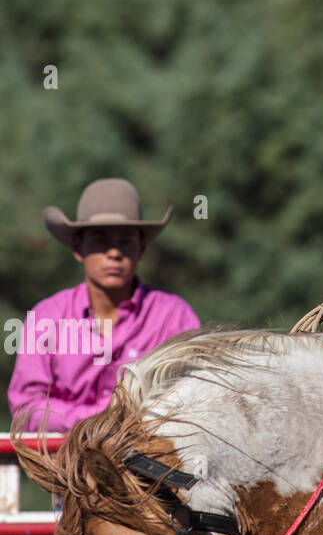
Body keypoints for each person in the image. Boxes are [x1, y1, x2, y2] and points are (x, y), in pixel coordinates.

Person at [8, 178, 200, 431]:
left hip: (151, 465)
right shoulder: (47, 316)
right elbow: (27, 406)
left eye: (126, 241)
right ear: (78, 248)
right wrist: (101, 421)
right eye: (100, 240)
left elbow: (193, 398)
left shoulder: (174, 316)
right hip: (64, 466)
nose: (114, 253)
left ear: (141, 249)